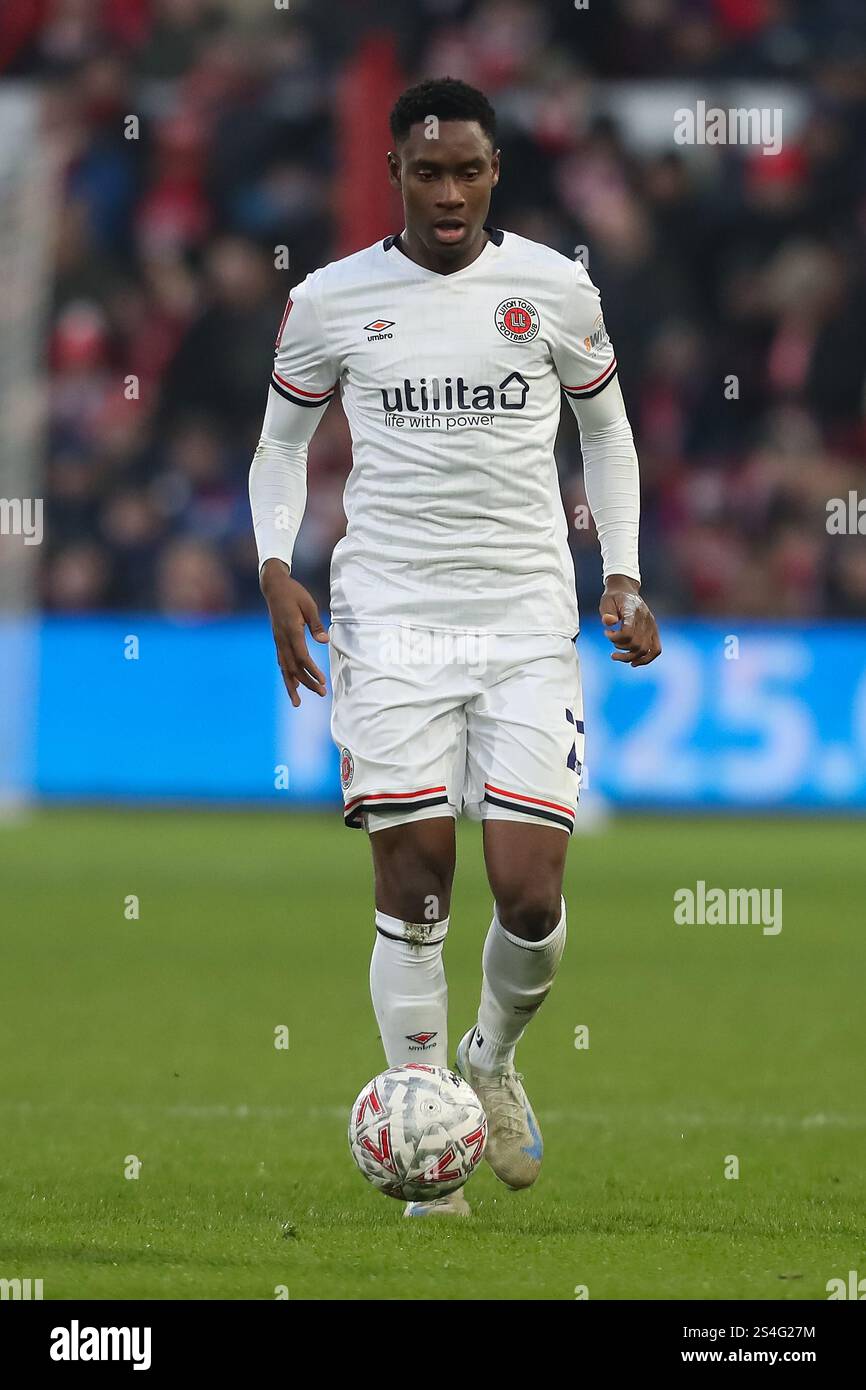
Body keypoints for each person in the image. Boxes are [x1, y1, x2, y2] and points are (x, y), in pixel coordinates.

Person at [249, 76, 661, 1217]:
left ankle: (489, 1057)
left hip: (524, 617)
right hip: (388, 619)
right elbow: (279, 446)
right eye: (426, 172)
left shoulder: (555, 288)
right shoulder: (331, 299)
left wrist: (623, 572)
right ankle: (430, 1167)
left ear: (493, 174)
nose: (447, 192)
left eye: (467, 171)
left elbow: (607, 432)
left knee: (527, 895)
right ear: (394, 172)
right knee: (415, 878)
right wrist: (274, 565)